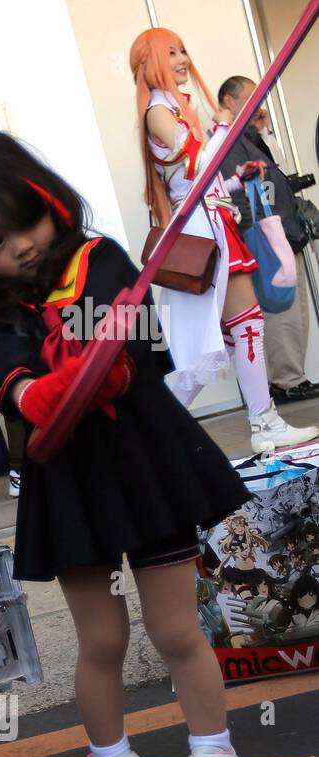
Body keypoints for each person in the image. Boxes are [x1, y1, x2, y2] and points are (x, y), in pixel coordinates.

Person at [0, 130, 254, 757]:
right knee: (102, 640)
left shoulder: (98, 259)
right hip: (70, 479)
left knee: (176, 630)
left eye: (22, 224)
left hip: (145, 462)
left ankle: (215, 756)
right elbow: (5, 375)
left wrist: (101, 357)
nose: (14, 247)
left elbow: (123, 335)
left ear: (49, 202)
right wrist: (35, 395)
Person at [131, 28, 316, 452]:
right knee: (207, 344)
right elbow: (196, 165)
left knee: (240, 327)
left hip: (211, 220)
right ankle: (158, 433)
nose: (181, 58)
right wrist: (221, 126)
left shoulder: (172, 107)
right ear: (148, 61)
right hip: (201, 228)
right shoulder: (158, 109)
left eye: (183, 49)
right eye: (171, 51)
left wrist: (235, 178)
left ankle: (258, 420)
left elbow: (203, 178)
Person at [218, 75, 317, 404]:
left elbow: (275, 175)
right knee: (279, 309)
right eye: (250, 98)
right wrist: (255, 233)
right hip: (266, 235)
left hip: (285, 232)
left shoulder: (253, 137)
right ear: (229, 103)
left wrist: (264, 132)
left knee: (294, 307)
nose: (258, 106)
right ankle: (286, 381)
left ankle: (293, 377)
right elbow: (244, 192)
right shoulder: (228, 142)